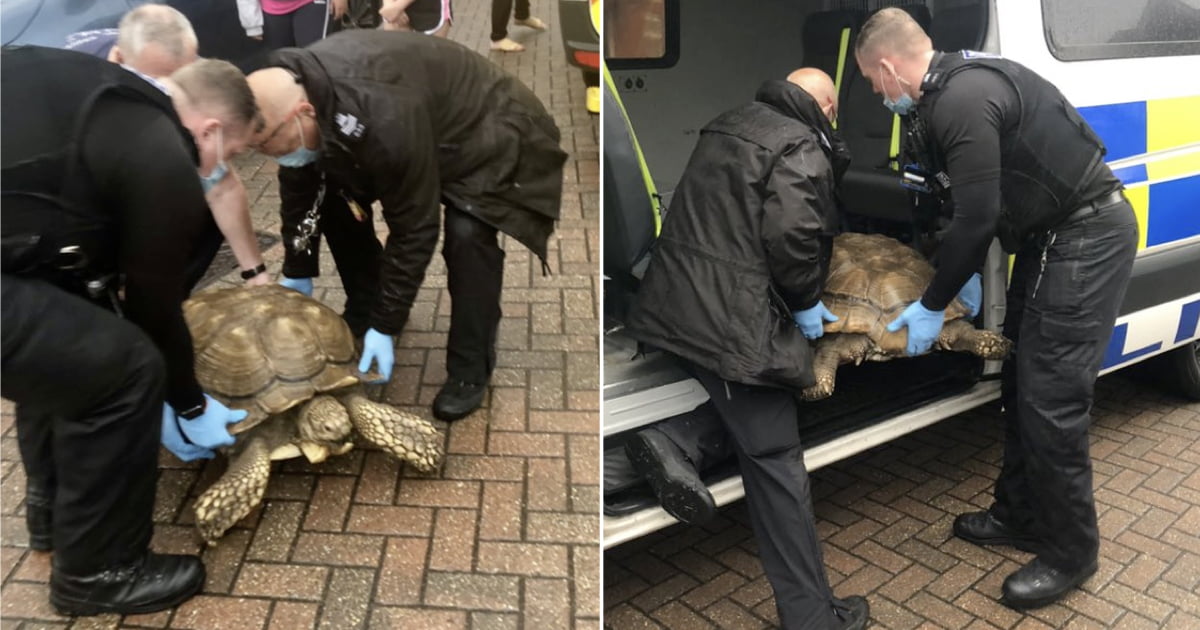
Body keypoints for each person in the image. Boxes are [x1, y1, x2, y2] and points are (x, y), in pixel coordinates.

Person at [854, 8, 1138, 610]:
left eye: (874, 84)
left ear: (886, 66)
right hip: (1050, 238)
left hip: (1088, 233)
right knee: (1018, 379)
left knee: (1052, 399)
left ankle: (1071, 551)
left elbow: (978, 219)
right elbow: (950, 208)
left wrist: (934, 304)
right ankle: (1018, 514)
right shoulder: (936, 99)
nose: (878, 96)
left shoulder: (963, 98)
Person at [1, 46, 261, 615]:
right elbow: (154, 306)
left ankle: (52, 516)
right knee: (125, 370)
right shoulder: (160, 151)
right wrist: (189, 403)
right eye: (234, 150)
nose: (225, 163)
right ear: (211, 129)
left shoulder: (112, 91)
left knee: (65, 345)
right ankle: (99, 572)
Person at [625, 68, 868, 630]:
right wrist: (806, 301)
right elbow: (793, 242)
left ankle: (676, 437)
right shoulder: (801, 144)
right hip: (726, 326)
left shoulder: (730, 121)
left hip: (673, 304)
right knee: (777, 461)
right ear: (827, 108)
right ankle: (812, 619)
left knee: (744, 412)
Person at [247, 30, 567, 421]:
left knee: (468, 238)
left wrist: (389, 322)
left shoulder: (383, 117)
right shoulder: (304, 89)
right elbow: (300, 187)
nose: (268, 158)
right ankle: (365, 303)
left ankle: (470, 367)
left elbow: (415, 228)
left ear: (303, 115)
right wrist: (297, 267)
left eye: (268, 147)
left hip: (487, 127)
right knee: (334, 196)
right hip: (422, 119)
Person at [65, 4, 271, 288]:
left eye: (184, 78)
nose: (176, 94)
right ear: (119, 60)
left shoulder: (180, 66)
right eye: (163, 85)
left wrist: (255, 272)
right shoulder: (82, 95)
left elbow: (221, 186)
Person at [379, 0, 453, 37]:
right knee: (398, 60)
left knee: (430, 61)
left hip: (430, 9)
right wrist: (389, 5)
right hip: (393, 7)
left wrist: (397, 7)